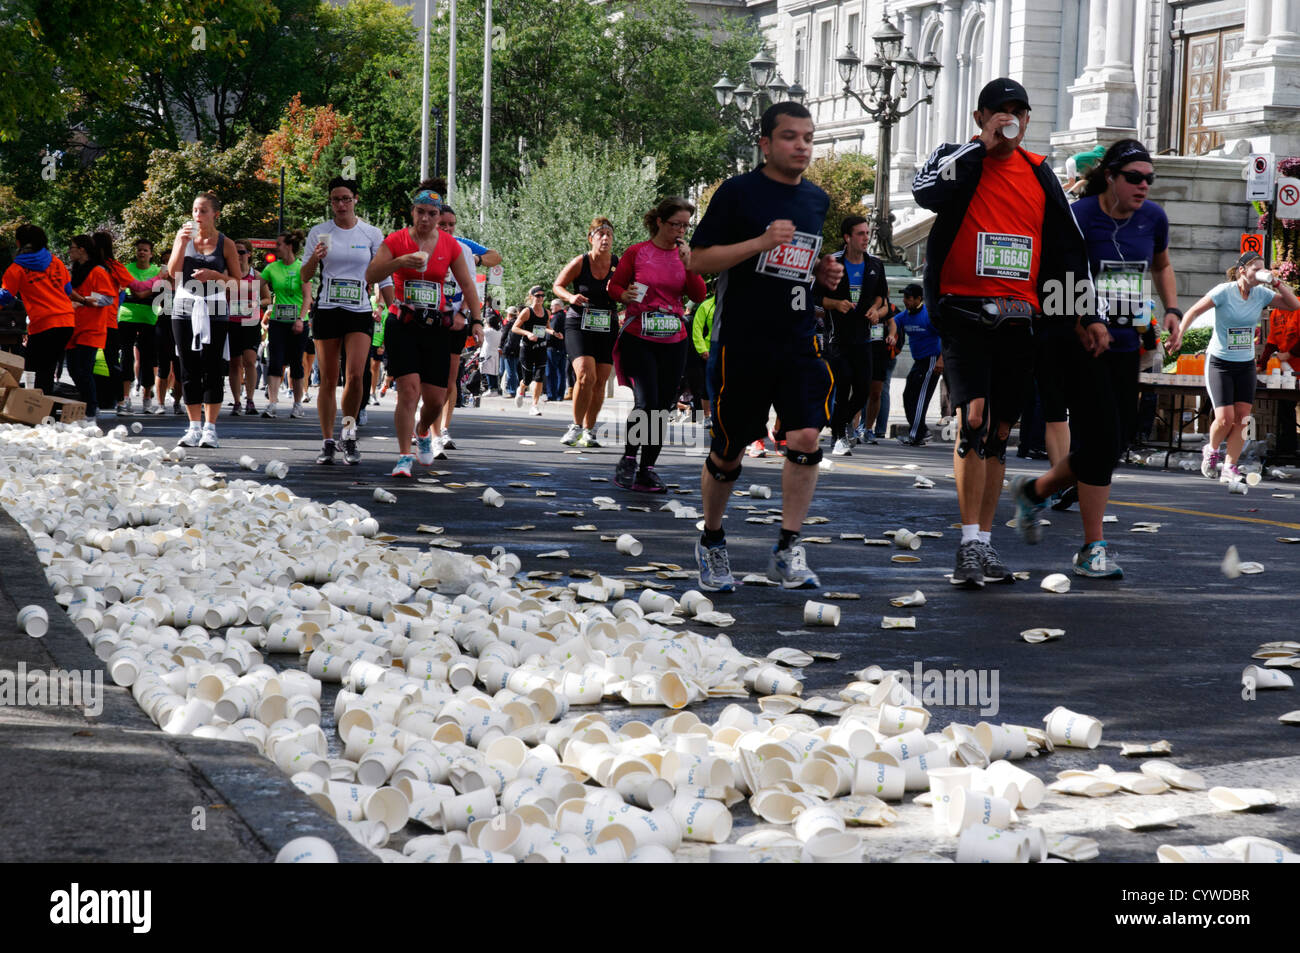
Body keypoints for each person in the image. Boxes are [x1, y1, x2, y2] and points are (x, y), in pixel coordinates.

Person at [912, 77, 1102, 588]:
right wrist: (983, 149)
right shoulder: (958, 158)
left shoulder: (1040, 173)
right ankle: (967, 542)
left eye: (1019, 110)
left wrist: (1087, 315)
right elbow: (925, 191)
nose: (1011, 118)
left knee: (999, 430)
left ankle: (985, 542)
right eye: (1000, 111)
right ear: (981, 117)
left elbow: (1068, 251)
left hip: (1021, 316)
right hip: (963, 312)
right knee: (972, 418)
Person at [689, 101, 843, 591]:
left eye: (808, 138)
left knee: (805, 438)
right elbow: (698, 260)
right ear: (765, 143)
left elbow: (798, 263)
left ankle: (788, 547)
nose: (801, 146)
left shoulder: (816, 200)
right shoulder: (737, 193)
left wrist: (822, 272)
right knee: (730, 450)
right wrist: (758, 242)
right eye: (790, 137)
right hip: (742, 341)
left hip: (799, 338)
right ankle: (712, 540)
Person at [1013, 140, 1184, 574]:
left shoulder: (1153, 219)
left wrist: (1171, 310)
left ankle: (1036, 491)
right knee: (1102, 439)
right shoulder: (1078, 216)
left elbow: (1161, 265)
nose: (1143, 186)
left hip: (1126, 343)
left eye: (1149, 178)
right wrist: (1082, 322)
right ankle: (1093, 547)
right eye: (1134, 177)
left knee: (1116, 439)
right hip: (1079, 344)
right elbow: (1054, 276)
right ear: (1110, 176)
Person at [365, 182, 481, 477]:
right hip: (402, 323)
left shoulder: (449, 245)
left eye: (431, 213)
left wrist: (476, 320)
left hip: (436, 326)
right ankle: (404, 456)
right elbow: (371, 274)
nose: (425, 218)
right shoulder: (396, 241)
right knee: (408, 391)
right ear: (412, 212)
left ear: (438, 215)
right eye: (420, 212)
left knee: (436, 399)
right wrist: (400, 261)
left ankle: (423, 429)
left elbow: (468, 284)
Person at [1169, 251, 1300, 481]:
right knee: (1224, 418)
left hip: (1245, 364)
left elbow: (1294, 305)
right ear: (1242, 271)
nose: (1261, 273)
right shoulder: (1224, 292)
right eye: (1256, 269)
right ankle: (1211, 450)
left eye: (1263, 269)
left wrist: (1277, 282)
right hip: (1220, 362)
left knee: (1242, 417)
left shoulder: (1261, 294)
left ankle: (1230, 466)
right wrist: (1179, 334)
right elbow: (1194, 311)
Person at [608, 197, 708, 491]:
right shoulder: (638, 252)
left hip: (673, 338)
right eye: (675, 224)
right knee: (646, 402)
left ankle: (647, 468)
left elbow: (699, 294)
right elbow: (614, 286)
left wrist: (690, 264)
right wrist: (622, 296)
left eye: (685, 226)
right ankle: (628, 458)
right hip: (639, 335)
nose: (680, 230)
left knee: (663, 407)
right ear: (660, 222)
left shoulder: (685, 256)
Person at [302, 177, 394, 465]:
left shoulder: (371, 233)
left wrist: (396, 309)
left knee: (356, 374)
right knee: (328, 379)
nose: (340, 204)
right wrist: (315, 259)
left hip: (359, 311)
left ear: (355, 199)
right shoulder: (319, 232)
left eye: (345, 198)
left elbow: (384, 274)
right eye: (334, 200)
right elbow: (304, 276)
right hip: (328, 309)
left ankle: (349, 434)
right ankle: (328, 441)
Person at [165, 192, 242, 446]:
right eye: (195, 210)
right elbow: (173, 273)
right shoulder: (184, 238)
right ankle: (193, 426)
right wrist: (179, 242)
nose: (198, 216)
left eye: (203, 211)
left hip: (214, 305)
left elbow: (238, 281)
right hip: (185, 304)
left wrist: (214, 274)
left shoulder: (226, 243)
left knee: (212, 367)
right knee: (187, 367)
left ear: (215, 214)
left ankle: (210, 428)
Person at [820, 215, 890, 456]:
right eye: (860, 234)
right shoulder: (830, 263)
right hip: (837, 339)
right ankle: (839, 436)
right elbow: (814, 299)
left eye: (867, 233)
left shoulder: (875, 265)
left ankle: (838, 425)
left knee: (863, 391)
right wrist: (835, 303)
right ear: (847, 238)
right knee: (844, 383)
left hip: (864, 339)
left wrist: (876, 311)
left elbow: (884, 300)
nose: (866, 238)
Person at [433, 202, 497, 451]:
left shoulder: (462, 248)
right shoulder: (421, 245)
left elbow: (472, 287)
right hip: (426, 320)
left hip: (456, 320)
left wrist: (474, 320)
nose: (447, 229)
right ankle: (426, 423)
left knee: (450, 379)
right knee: (428, 378)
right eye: (442, 225)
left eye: (451, 225)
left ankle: (443, 430)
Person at [554, 218, 621, 448]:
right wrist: (571, 297)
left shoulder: (618, 264)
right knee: (585, 375)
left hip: (607, 325)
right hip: (579, 324)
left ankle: (589, 431)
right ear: (591, 238)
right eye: (600, 234)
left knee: (600, 381)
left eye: (609, 235)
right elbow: (558, 285)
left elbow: (631, 289)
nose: (605, 238)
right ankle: (575, 426)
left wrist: (629, 296)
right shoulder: (581, 262)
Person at [0, 224, 75, 395]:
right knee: (45, 368)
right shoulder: (55, 262)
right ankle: (42, 409)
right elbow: (68, 290)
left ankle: (37, 410)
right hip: (66, 322)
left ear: (18, 243)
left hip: (44, 324)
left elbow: (5, 297)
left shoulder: (17, 268)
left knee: (34, 367)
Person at [258, 231, 312, 420]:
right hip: (278, 322)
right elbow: (255, 284)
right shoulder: (272, 268)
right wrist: (233, 279)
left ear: (289, 246)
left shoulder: (302, 267)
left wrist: (300, 318)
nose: (276, 247)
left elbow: (307, 297)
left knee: (296, 364)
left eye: (279, 244)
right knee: (275, 362)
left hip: (298, 323)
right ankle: (272, 404)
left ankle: (297, 405)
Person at [66, 235, 117, 420]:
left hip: (92, 328)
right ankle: (86, 405)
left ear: (82, 249)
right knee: (73, 370)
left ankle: (91, 409)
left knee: (83, 370)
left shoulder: (98, 271)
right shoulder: (76, 270)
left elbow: (108, 298)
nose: (70, 251)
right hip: (74, 326)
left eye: (72, 247)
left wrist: (85, 301)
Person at [894, 283, 942, 445]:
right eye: (904, 297)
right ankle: (921, 431)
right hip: (919, 361)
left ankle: (915, 435)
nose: (905, 300)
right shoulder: (906, 315)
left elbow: (945, 336)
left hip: (932, 360)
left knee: (921, 397)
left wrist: (941, 360)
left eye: (908, 298)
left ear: (918, 299)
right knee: (908, 395)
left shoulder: (928, 315)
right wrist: (893, 334)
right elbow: (893, 321)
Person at [120, 238, 163, 414]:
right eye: (139, 250)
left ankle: (147, 398)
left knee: (148, 359)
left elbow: (155, 291)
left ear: (151, 254)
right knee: (126, 357)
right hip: (127, 316)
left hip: (149, 318)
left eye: (145, 250)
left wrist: (140, 294)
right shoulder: (126, 269)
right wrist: (143, 294)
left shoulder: (158, 271)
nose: (142, 253)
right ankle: (124, 399)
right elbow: (127, 290)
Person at [226, 239, 261, 417]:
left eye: (241, 252)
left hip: (250, 322)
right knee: (234, 364)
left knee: (249, 361)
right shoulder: (227, 274)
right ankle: (237, 402)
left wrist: (255, 303)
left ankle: (250, 399)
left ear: (249, 254)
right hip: (232, 322)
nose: (238, 255)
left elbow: (268, 298)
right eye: (235, 252)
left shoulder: (256, 275)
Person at [512, 286, 555, 416]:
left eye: (542, 295)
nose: (540, 298)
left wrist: (553, 332)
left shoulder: (546, 312)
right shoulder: (527, 311)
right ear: (531, 297)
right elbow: (514, 328)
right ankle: (521, 389)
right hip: (527, 349)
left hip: (541, 347)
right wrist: (528, 334)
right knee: (528, 379)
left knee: (539, 377)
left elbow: (546, 327)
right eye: (537, 296)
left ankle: (534, 405)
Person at [500, 305, 522, 397]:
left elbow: (503, 336)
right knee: (514, 371)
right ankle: (516, 389)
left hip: (509, 350)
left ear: (509, 314)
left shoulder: (509, 323)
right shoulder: (519, 323)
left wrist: (500, 347)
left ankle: (511, 390)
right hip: (517, 350)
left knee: (510, 371)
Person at [479, 310, 503, 395]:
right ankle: (494, 389)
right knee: (493, 372)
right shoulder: (499, 331)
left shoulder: (488, 331)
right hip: (494, 352)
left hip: (487, 352)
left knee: (488, 372)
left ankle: (491, 389)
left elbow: (478, 333)